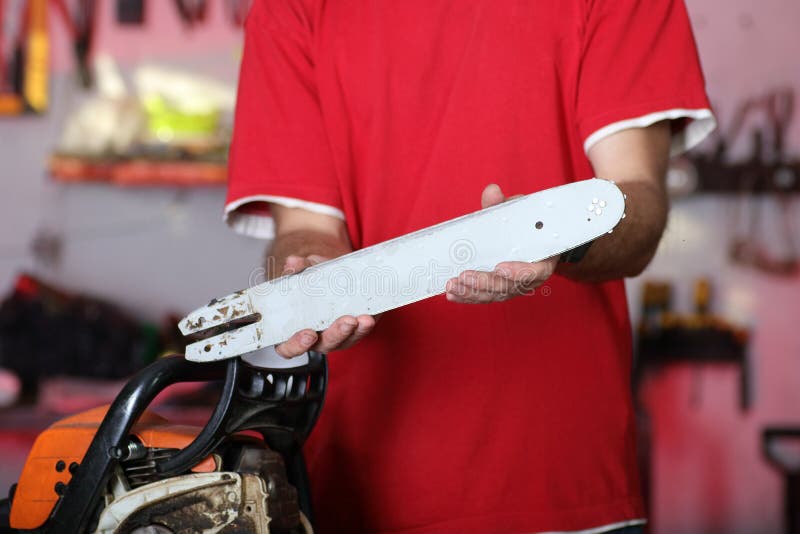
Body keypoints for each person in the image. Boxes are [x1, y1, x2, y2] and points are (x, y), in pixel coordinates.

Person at [224, 0, 715, 532]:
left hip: (564, 481)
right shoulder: (289, 9)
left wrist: (558, 238)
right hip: (361, 491)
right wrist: (313, 283)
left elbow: (636, 201)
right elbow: (305, 227)